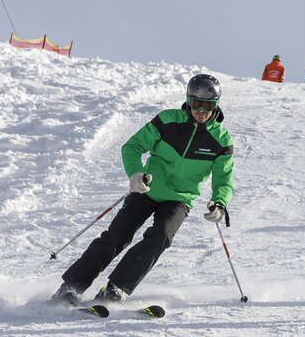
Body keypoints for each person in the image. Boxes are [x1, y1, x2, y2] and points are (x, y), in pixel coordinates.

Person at [50, 74, 234, 305]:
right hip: (147, 188)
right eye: (197, 103)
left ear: (216, 105)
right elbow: (133, 146)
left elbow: (223, 179)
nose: (201, 110)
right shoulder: (168, 120)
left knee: (161, 236)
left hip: (179, 198)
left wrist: (220, 202)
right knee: (117, 236)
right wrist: (136, 174)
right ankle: (71, 287)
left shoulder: (221, 140)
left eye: (208, 105)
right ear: (188, 101)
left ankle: (116, 289)